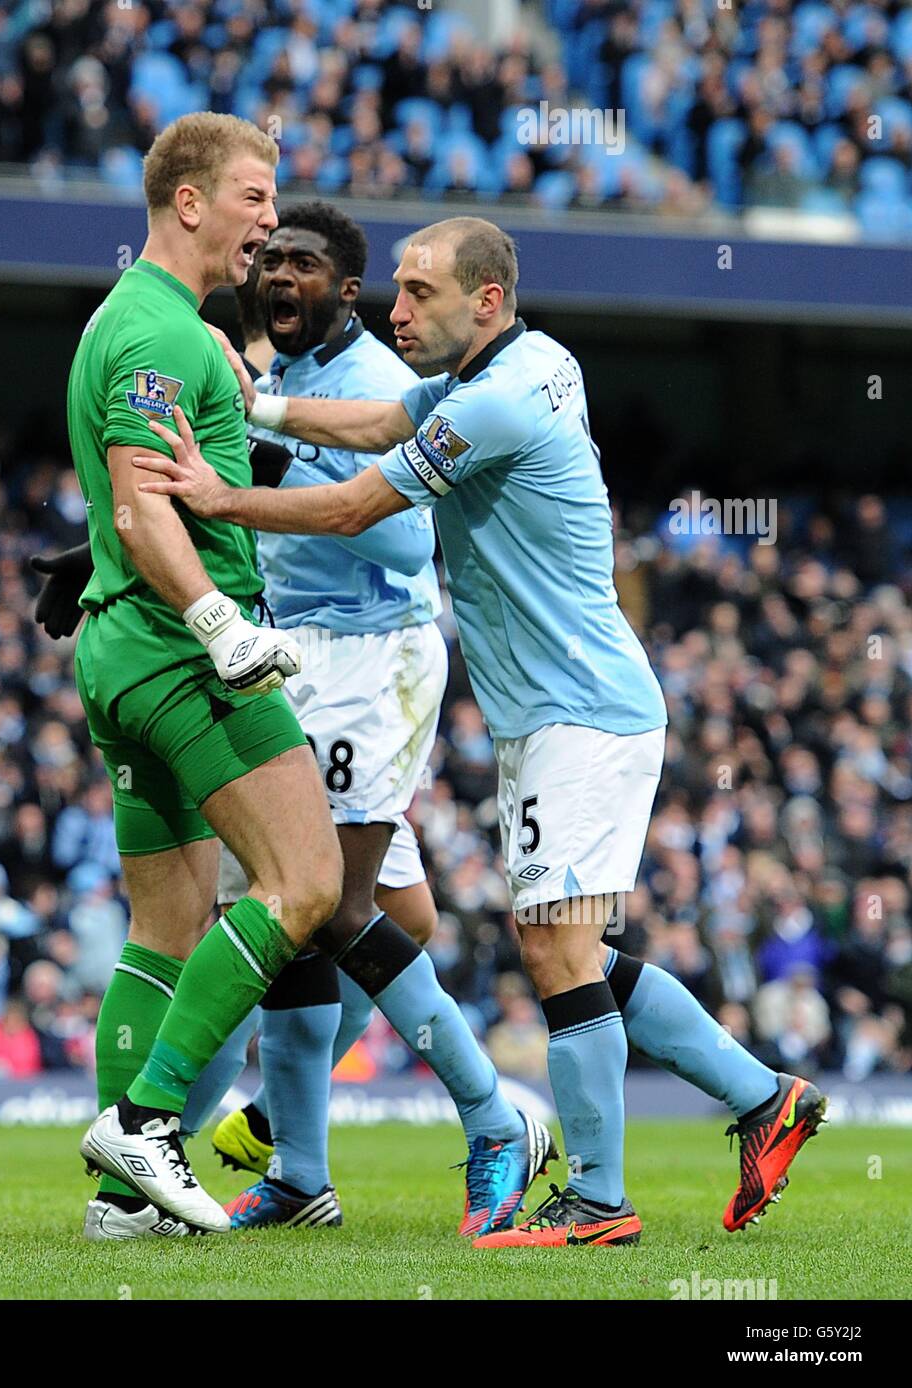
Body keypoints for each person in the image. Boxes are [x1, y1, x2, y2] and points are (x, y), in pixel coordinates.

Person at [133, 215, 827, 1247]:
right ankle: (763, 1097)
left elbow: (356, 504)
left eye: (419, 293)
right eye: (399, 291)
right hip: (563, 708)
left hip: (574, 712)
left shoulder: (493, 403)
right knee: (572, 945)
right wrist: (265, 402)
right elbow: (375, 424)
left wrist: (214, 494)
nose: (398, 310)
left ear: (485, 300)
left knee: (549, 949)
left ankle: (595, 1199)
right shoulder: (526, 365)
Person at [176, 201, 554, 1236]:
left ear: (344, 290)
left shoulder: (385, 384)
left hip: (370, 657)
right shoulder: (283, 381)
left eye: (303, 262)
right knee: (319, 921)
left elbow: (399, 552)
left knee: (328, 910)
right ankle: (300, 1173)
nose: (279, 275)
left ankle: (493, 1119)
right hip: (296, 659)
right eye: (272, 261)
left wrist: (266, 471)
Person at [47, 111, 342, 1239]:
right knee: (304, 883)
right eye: (257, 198)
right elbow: (141, 501)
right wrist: (220, 620)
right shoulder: (161, 332)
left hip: (121, 643)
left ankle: (125, 1199)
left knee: (165, 924)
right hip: (182, 650)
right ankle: (151, 1120)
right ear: (190, 202)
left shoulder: (147, 320)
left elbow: (128, 503)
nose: (270, 223)